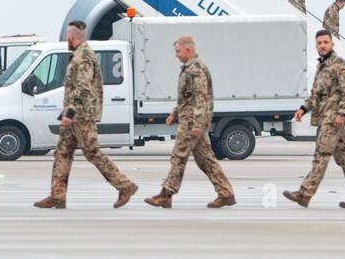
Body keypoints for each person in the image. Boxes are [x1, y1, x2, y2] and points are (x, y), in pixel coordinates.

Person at [36, 21, 137, 209]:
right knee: (62, 152)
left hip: (81, 116)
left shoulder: (83, 56)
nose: (67, 39)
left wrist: (71, 112)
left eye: (68, 36)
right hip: (74, 115)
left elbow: (83, 87)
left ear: (72, 37)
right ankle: (57, 195)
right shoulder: (80, 54)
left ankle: (125, 186)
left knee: (92, 153)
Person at [145, 36, 236, 208]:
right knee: (205, 160)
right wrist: (174, 114)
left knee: (178, 157)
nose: (176, 55)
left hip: (191, 124)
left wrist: (197, 125)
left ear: (188, 50)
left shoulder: (195, 70)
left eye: (178, 51)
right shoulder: (190, 69)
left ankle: (166, 194)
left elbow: (200, 99)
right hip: (190, 120)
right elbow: (187, 98)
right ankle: (226, 193)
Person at [283, 29, 345, 208]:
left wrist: (342, 113)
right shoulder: (322, 67)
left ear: (332, 44)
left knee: (321, 155)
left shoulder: (340, 65)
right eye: (319, 43)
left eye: (325, 42)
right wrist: (304, 108)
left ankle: (305, 194)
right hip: (325, 117)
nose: (322, 46)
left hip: (333, 118)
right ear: (316, 46)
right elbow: (316, 95)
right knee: (344, 157)